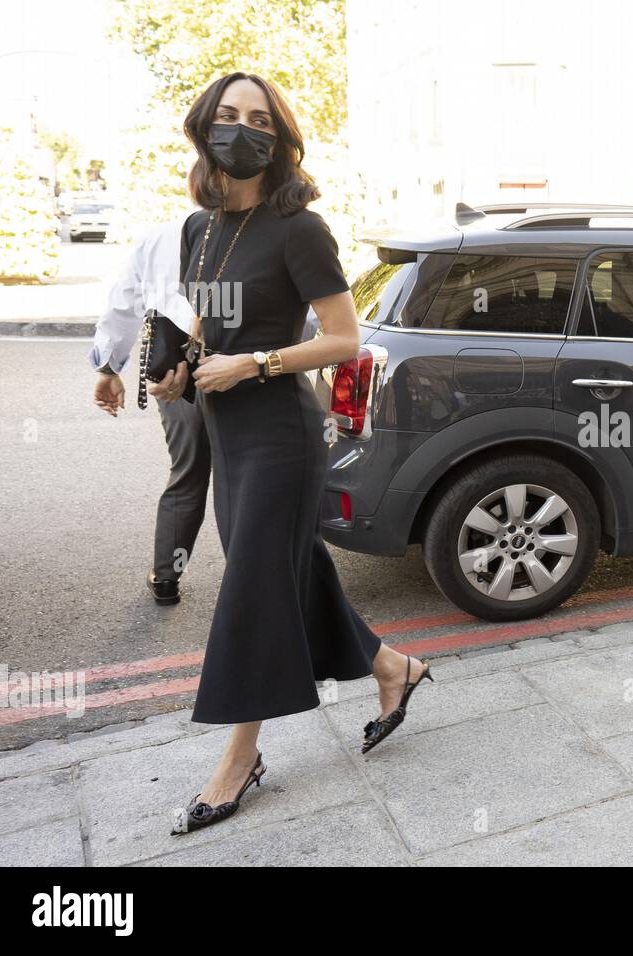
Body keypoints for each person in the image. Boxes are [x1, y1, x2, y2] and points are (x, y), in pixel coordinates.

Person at [161, 71, 431, 836]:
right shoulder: (199, 228)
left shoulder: (299, 229)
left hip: (280, 433)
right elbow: (211, 329)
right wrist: (183, 365)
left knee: (253, 584)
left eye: (259, 120)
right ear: (202, 126)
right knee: (290, 571)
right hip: (225, 429)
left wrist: (255, 365)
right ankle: (395, 671)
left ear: (276, 140)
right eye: (227, 116)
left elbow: (344, 338)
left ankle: (239, 756)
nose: (241, 130)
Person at [91, 211, 209, 606]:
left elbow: (124, 304)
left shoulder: (159, 234)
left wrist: (110, 366)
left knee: (188, 471)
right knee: (242, 477)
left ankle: (166, 578)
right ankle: (256, 584)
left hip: (171, 359)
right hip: (240, 361)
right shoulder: (267, 226)